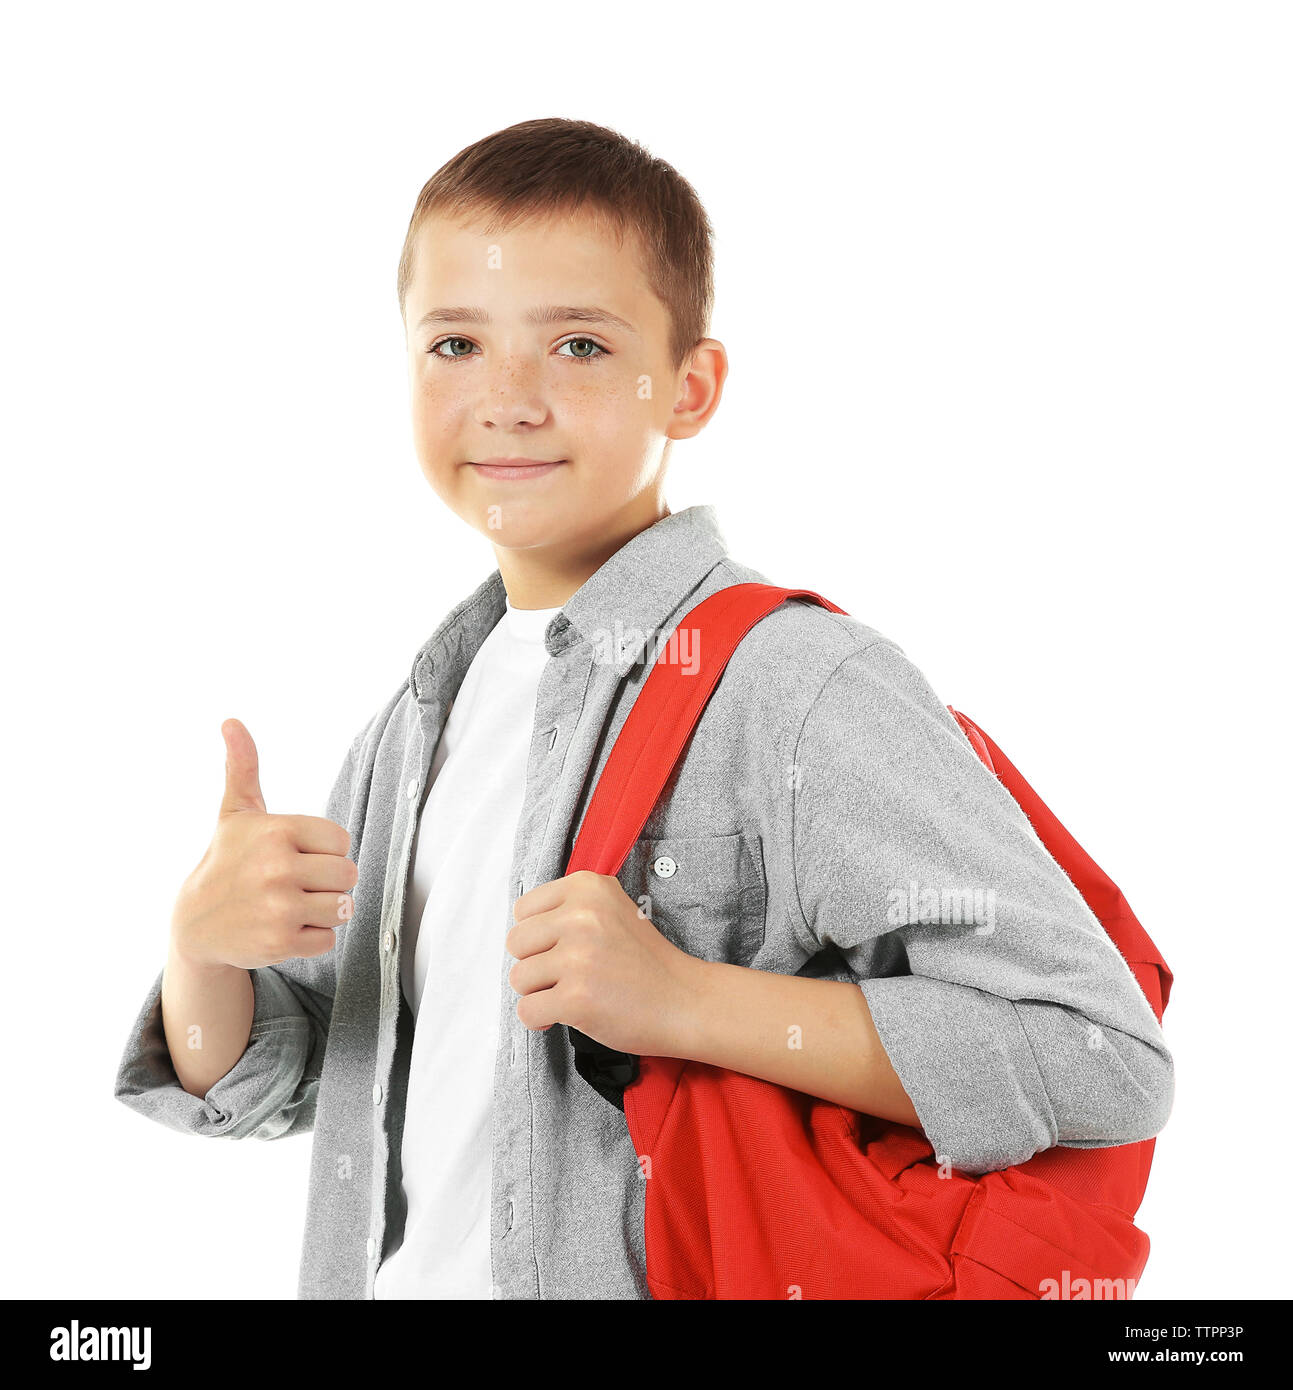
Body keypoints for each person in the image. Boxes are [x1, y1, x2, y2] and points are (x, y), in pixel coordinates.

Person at [113, 116, 1174, 1300]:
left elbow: (1106, 1062)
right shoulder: (406, 731)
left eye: (575, 343)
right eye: (455, 343)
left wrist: (691, 1002)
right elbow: (284, 1081)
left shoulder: (795, 688)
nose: (507, 400)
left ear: (691, 386)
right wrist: (200, 950)